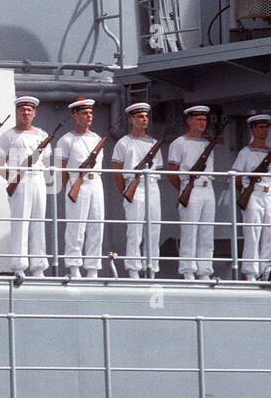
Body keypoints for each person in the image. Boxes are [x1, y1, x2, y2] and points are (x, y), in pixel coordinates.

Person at [0, 95, 51, 279]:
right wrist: (13, 180)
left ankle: (38, 267)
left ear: (34, 113)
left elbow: (45, 162)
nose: (25, 113)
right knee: (20, 224)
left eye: (29, 110)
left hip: (38, 181)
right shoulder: (9, 135)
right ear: (17, 112)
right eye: (22, 110)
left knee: (38, 223)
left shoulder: (42, 135)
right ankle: (19, 266)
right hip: (20, 183)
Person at [111, 102, 163, 279]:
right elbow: (117, 171)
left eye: (146, 116)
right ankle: (133, 269)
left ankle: (152, 269)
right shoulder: (123, 143)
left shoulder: (155, 143)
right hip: (134, 186)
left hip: (152, 186)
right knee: (134, 231)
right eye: (140, 117)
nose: (144, 119)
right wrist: (126, 192)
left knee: (154, 229)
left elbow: (159, 169)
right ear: (131, 119)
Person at [56, 97, 105, 279]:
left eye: (91, 112)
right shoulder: (66, 140)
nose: (89, 116)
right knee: (76, 227)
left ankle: (93, 268)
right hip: (77, 182)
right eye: (84, 113)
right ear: (75, 115)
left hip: (95, 182)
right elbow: (62, 168)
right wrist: (70, 187)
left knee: (96, 225)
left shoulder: (97, 138)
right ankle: (74, 267)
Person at [234, 113, 271, 281]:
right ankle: (250, 271)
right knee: (253, 232)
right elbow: (236, 177)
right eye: (260, 127)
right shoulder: (245, 152)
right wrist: (248, 187)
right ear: (253, 129)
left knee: (270, 232)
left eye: (266, 127)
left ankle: (265, 269)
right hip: (253, 193)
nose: (264, 131)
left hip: (269, 193)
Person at [166, 106, 216, 281]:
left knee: (207, 231)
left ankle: (205, 270)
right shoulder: (179, 143)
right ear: (189, 121)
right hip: (190, 187)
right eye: (198, 119)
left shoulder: (207, 144)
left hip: (208, 187)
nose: (202, 122)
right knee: (190, 230)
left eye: (204, 119)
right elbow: (172, 171)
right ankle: (188, 269)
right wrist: (184, 190)